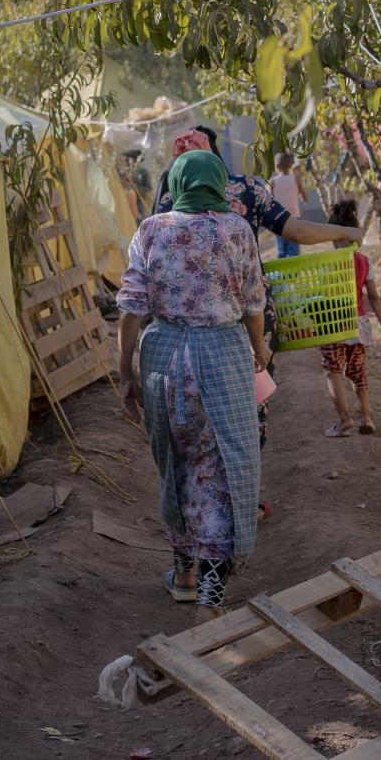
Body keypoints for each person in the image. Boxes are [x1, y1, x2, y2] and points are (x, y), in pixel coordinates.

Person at [117, 151, 270, 620]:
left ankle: (183, 573)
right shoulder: (237, 230)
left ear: (176, 183)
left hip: (162, 358)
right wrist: (259, 351)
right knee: (221, 472)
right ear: (220, 184)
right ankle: (209, 596)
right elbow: (252, 302)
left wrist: (126, 373)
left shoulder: (151, 229)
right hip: (222, 358)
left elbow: (130, 310)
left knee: (175, 462)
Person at [148, 128, 360, 452]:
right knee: (250, 401)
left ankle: (209, 487)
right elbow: (295, 229)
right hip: (251, 320)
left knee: (200, 410)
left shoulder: (169, 201)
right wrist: (344, 229)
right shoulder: (248, 189)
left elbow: (153, 267)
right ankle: (246, 488)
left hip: (189, 326)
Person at [320, 199, 381, 437]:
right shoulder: (363, 261)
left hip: (333, 323)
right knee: (358, 371)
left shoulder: (325, 263)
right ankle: (366, 416)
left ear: (333, 235)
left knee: (333, 369)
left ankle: (345, 421)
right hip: (359, 324)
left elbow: (319, 298)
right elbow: (373, 297)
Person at [268, 153, 305, 259]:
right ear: (290, 165)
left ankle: (282, 274)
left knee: (281, 250)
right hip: (294, 218)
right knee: (293, 250)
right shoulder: (296, 179)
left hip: (279, 219)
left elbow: (270, 203)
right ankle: (294, 274)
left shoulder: (273, 182)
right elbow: (305, 198)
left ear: (276, 166)